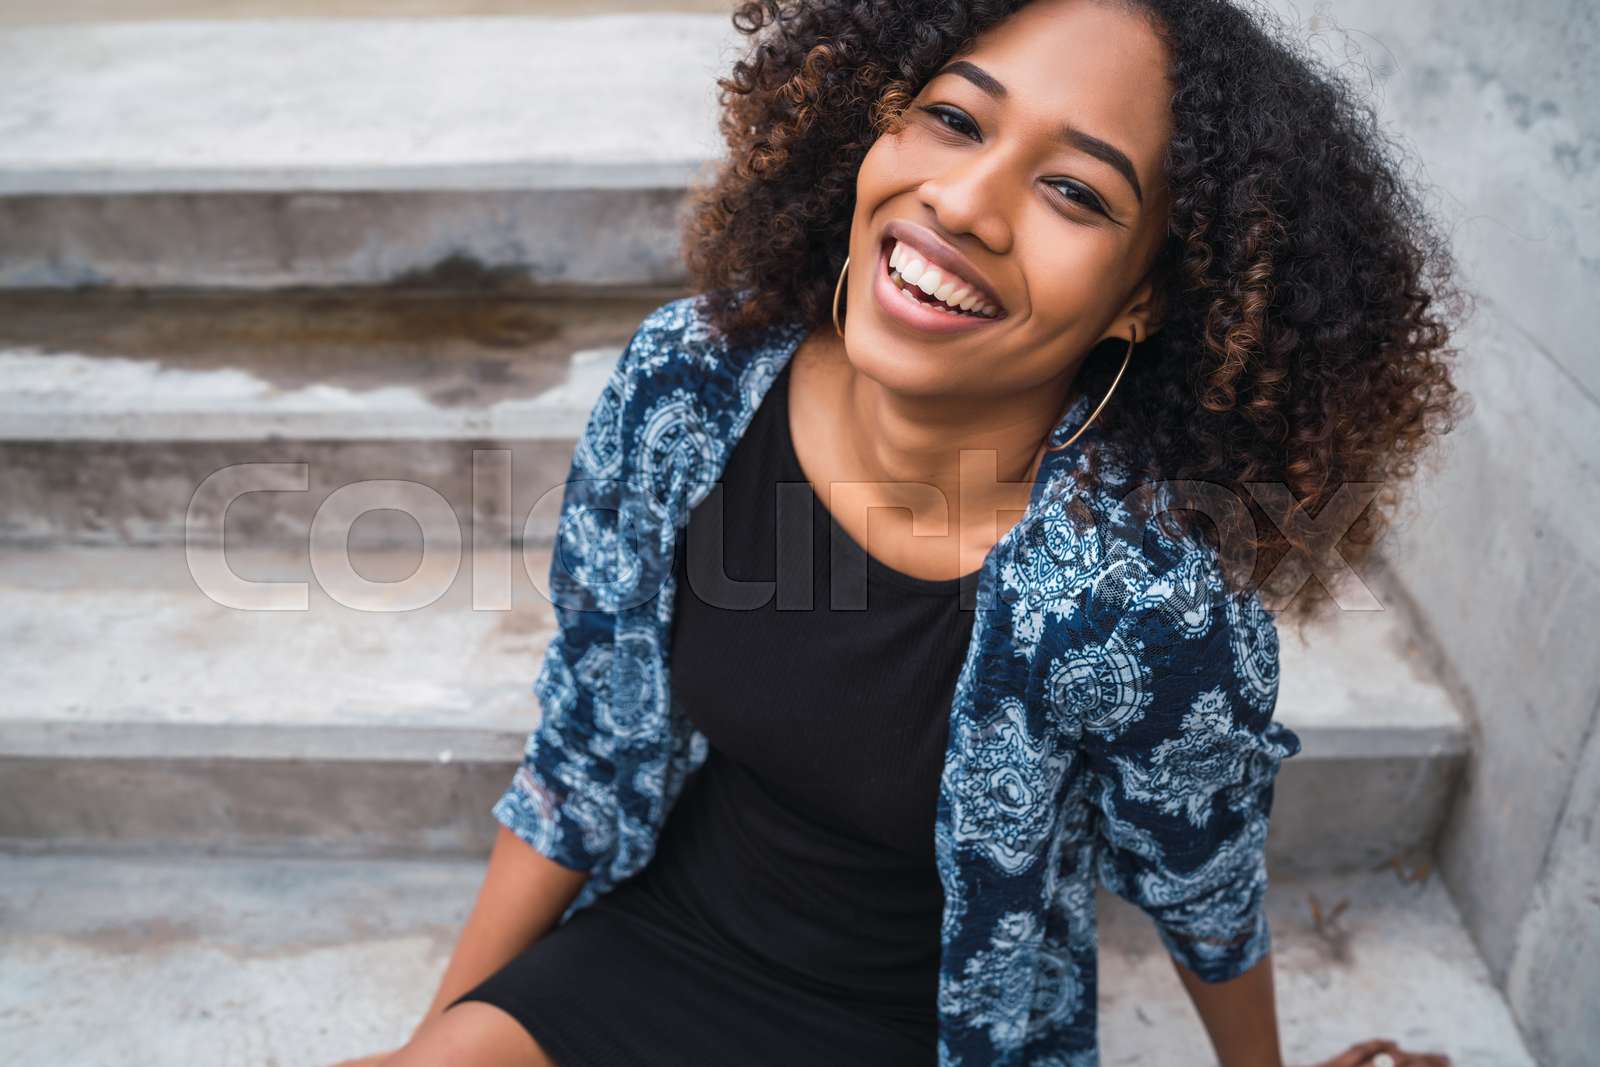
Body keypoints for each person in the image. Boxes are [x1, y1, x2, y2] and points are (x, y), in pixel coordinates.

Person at [336, 0, 1464, 1063]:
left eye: (1073, 192)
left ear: (1143, 298)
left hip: (922, 1029)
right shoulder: (687, 388)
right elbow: (586, 755)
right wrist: (436, 1039)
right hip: (660, 942)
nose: (966, 202)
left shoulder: (1144, 605)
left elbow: (1202, 883)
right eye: (953, 118)